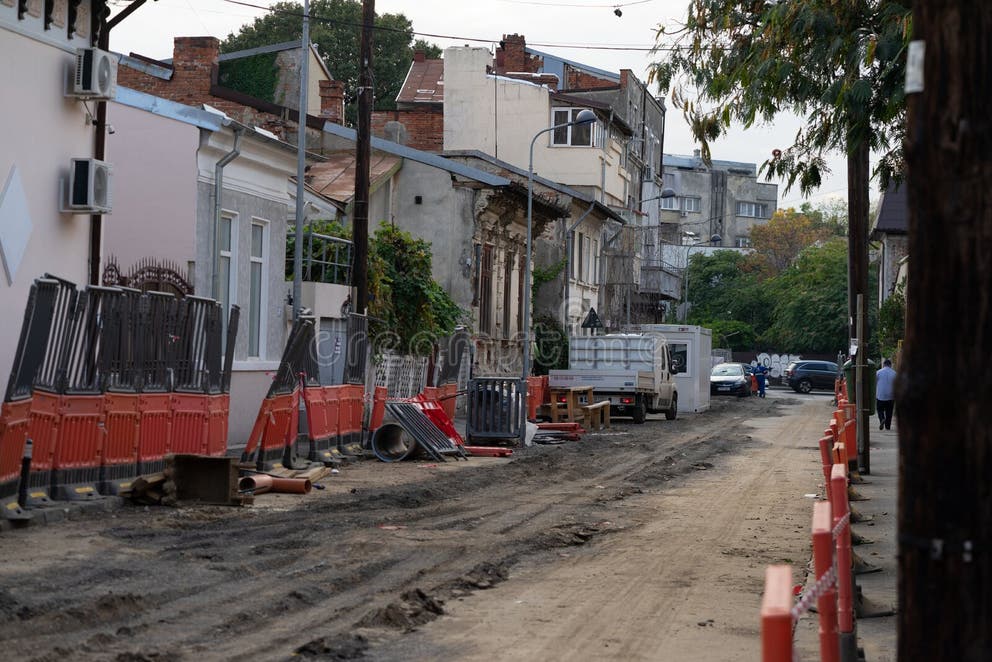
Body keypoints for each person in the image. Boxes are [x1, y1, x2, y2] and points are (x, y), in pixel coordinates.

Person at [875, 358, 897, 430]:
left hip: (880, 395)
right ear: (890, 365)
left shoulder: (878, 372)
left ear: (884, 365)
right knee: (889, 412)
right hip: (891, 396)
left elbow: (875, 382)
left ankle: (882, 419)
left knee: (880, 409)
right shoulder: (894, 373)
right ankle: (888, 426)